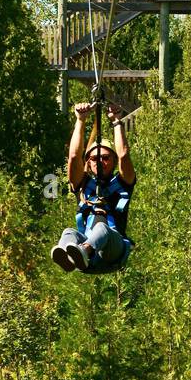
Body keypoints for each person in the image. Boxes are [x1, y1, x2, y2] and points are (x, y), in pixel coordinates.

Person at [51, 101, 136, 274]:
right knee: (69, 232)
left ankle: (83, 251)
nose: (100, 162)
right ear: (88, 163)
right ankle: (69, 258)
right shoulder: (83, 186)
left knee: (102, 229)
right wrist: (80, 120)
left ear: (113, 161)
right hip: (87, 259)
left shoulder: (122, 185)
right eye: (95, 159)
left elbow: (124, 155)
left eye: (105, 158)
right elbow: (74, 156)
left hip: (113, 250)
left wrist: (116, 122)